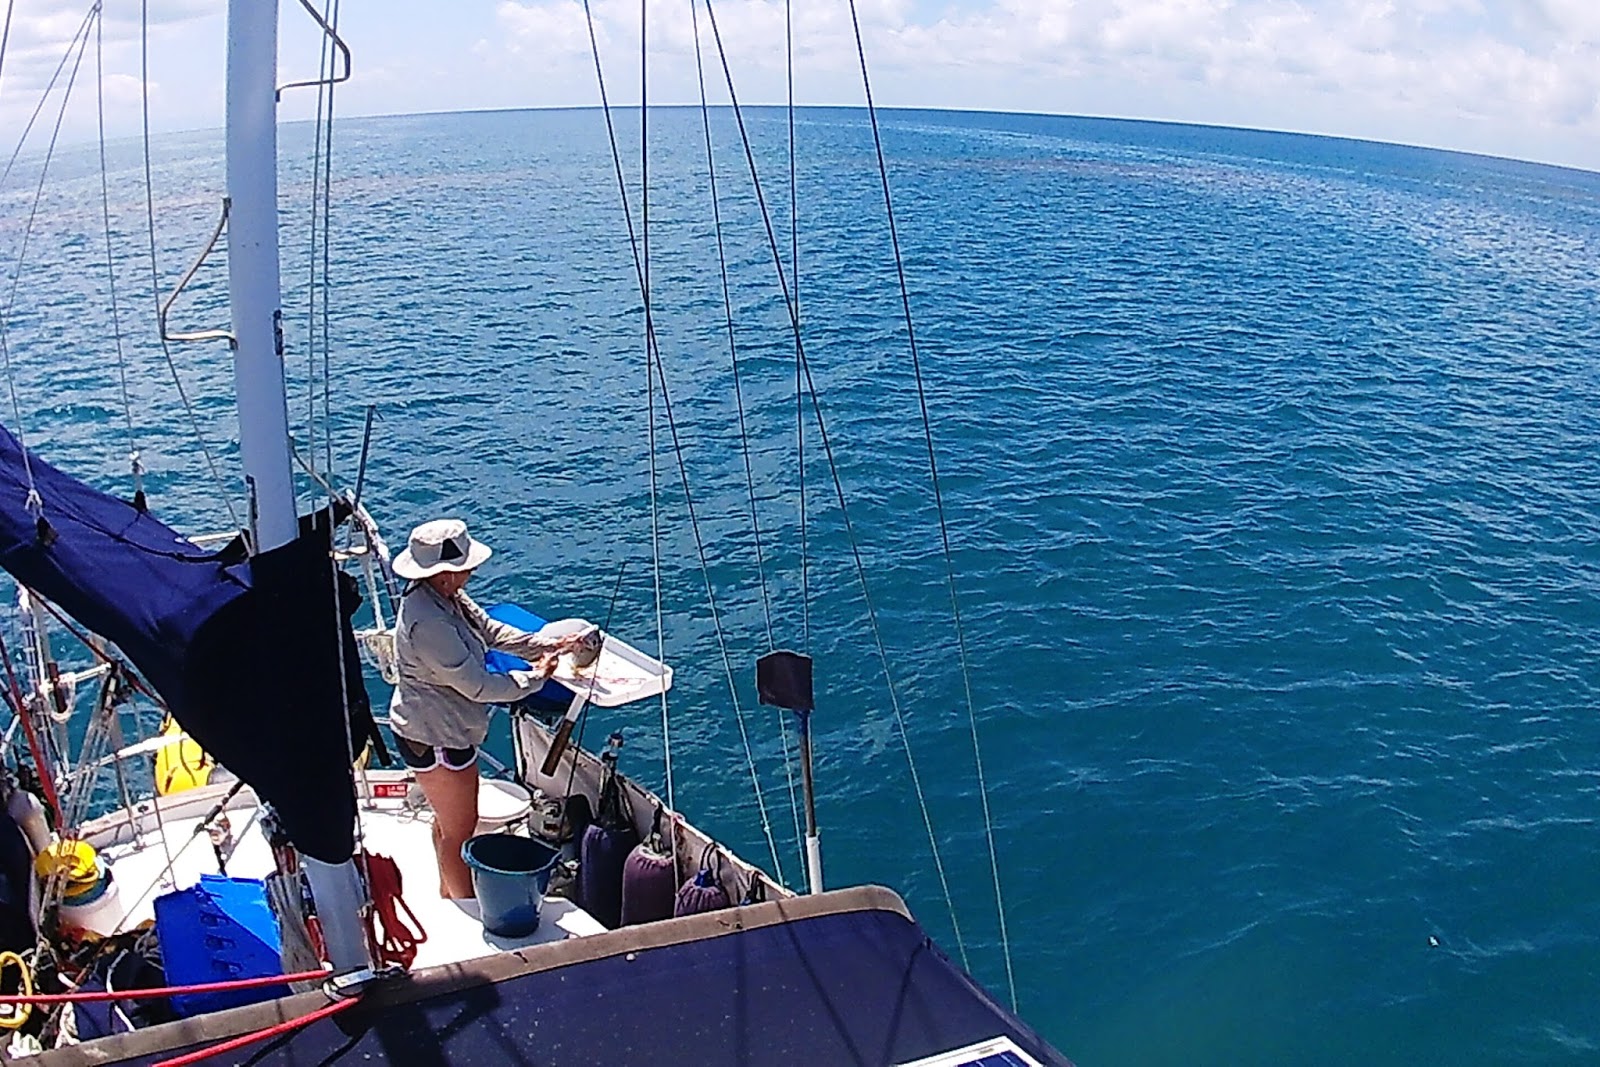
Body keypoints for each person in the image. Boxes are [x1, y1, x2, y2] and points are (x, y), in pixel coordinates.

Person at [389, 518, 590, 899]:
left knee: (448, 824)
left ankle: (448, 895)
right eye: (467, 563)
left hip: (435, 730)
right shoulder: (427, 622)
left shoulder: (444, 595)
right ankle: (465, 908)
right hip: (436, 737)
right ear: (447, 572)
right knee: (460, 831)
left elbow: (490, 630)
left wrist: (546, 646)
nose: (474, 568)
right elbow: (478, 685)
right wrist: (536, 679)